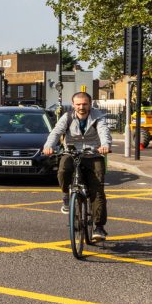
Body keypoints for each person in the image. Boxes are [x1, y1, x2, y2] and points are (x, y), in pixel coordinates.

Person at [42, 91, 112, 242]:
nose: (82, 107)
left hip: (93, 154)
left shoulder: (98, 117)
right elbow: (56, 132)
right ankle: (66, 196)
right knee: (63, 170)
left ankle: (98, 227)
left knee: (97, 190)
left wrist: (105, 145)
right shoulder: (67, 117)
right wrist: (48, 146)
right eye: (78, 104)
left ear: (90, 104)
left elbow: (104, 132)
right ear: (73, 105)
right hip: (71, 152)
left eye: (85, 104)